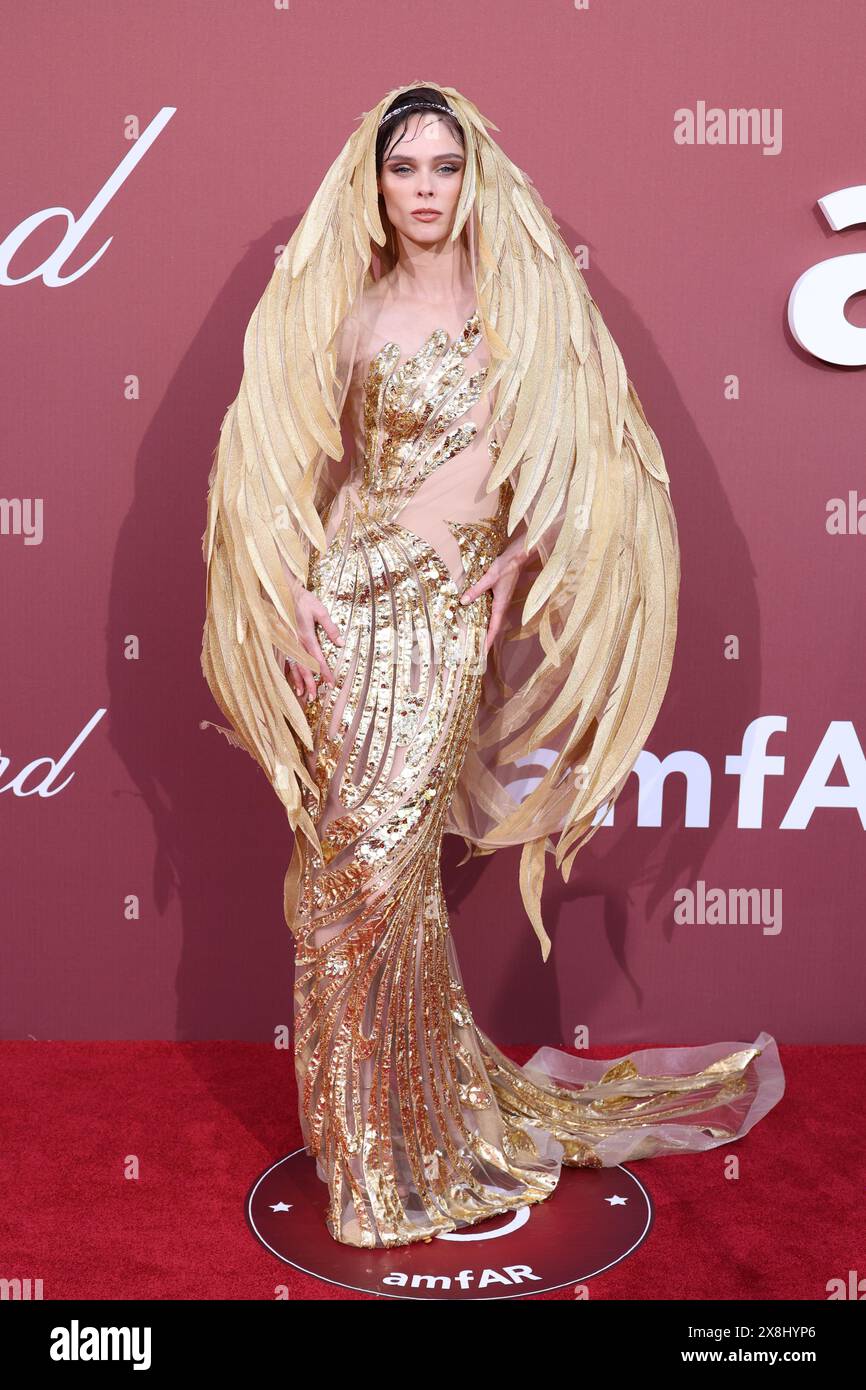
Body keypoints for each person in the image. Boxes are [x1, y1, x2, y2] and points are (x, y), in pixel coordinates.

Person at [200, 81, 785, 1249]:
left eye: (443, 168)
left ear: (477, 181)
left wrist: (519, 554)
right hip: (350, 604)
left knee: (377, 869)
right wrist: (285, 602)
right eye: (404, 168)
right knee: (338, 878)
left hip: (441, 617)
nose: (424, 190)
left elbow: (593, 458)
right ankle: (376, 1141)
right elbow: (281, 471)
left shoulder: (520, 312)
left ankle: (405, 1144)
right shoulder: (350, 314)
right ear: (372, 184)